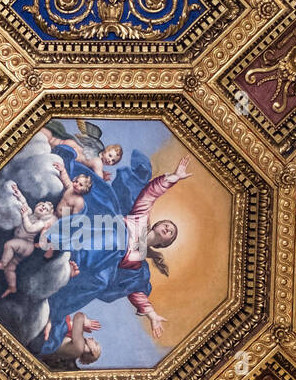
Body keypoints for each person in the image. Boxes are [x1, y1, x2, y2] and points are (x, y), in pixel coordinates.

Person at [39, 151, 192, 355]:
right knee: (113, 238)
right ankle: (56, 242)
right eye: (167, 224)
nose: (168, 228)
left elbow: (135, 290)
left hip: (102, 263)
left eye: (171, 232)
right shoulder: (140, 218)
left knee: (102, 281)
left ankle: (56, 308)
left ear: (164, 244)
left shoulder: (138, 262)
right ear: (157, 224)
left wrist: (152, 314)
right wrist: (173, 177)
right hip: (103, 230)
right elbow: (150, 194)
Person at [0, 182, 56, 298]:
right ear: (36, 206)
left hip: (27, 245)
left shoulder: (41, 222)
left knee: (9, 245)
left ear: (46, 215)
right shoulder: (29, 212)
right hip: (20, 244)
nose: (42, 208)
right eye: (42, 205)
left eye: (46, 209)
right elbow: (24, 202)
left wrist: (24, 216)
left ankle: (3, 263)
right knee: (11, 268)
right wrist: (18, 193)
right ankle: (12, 287)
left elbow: (30, 229)